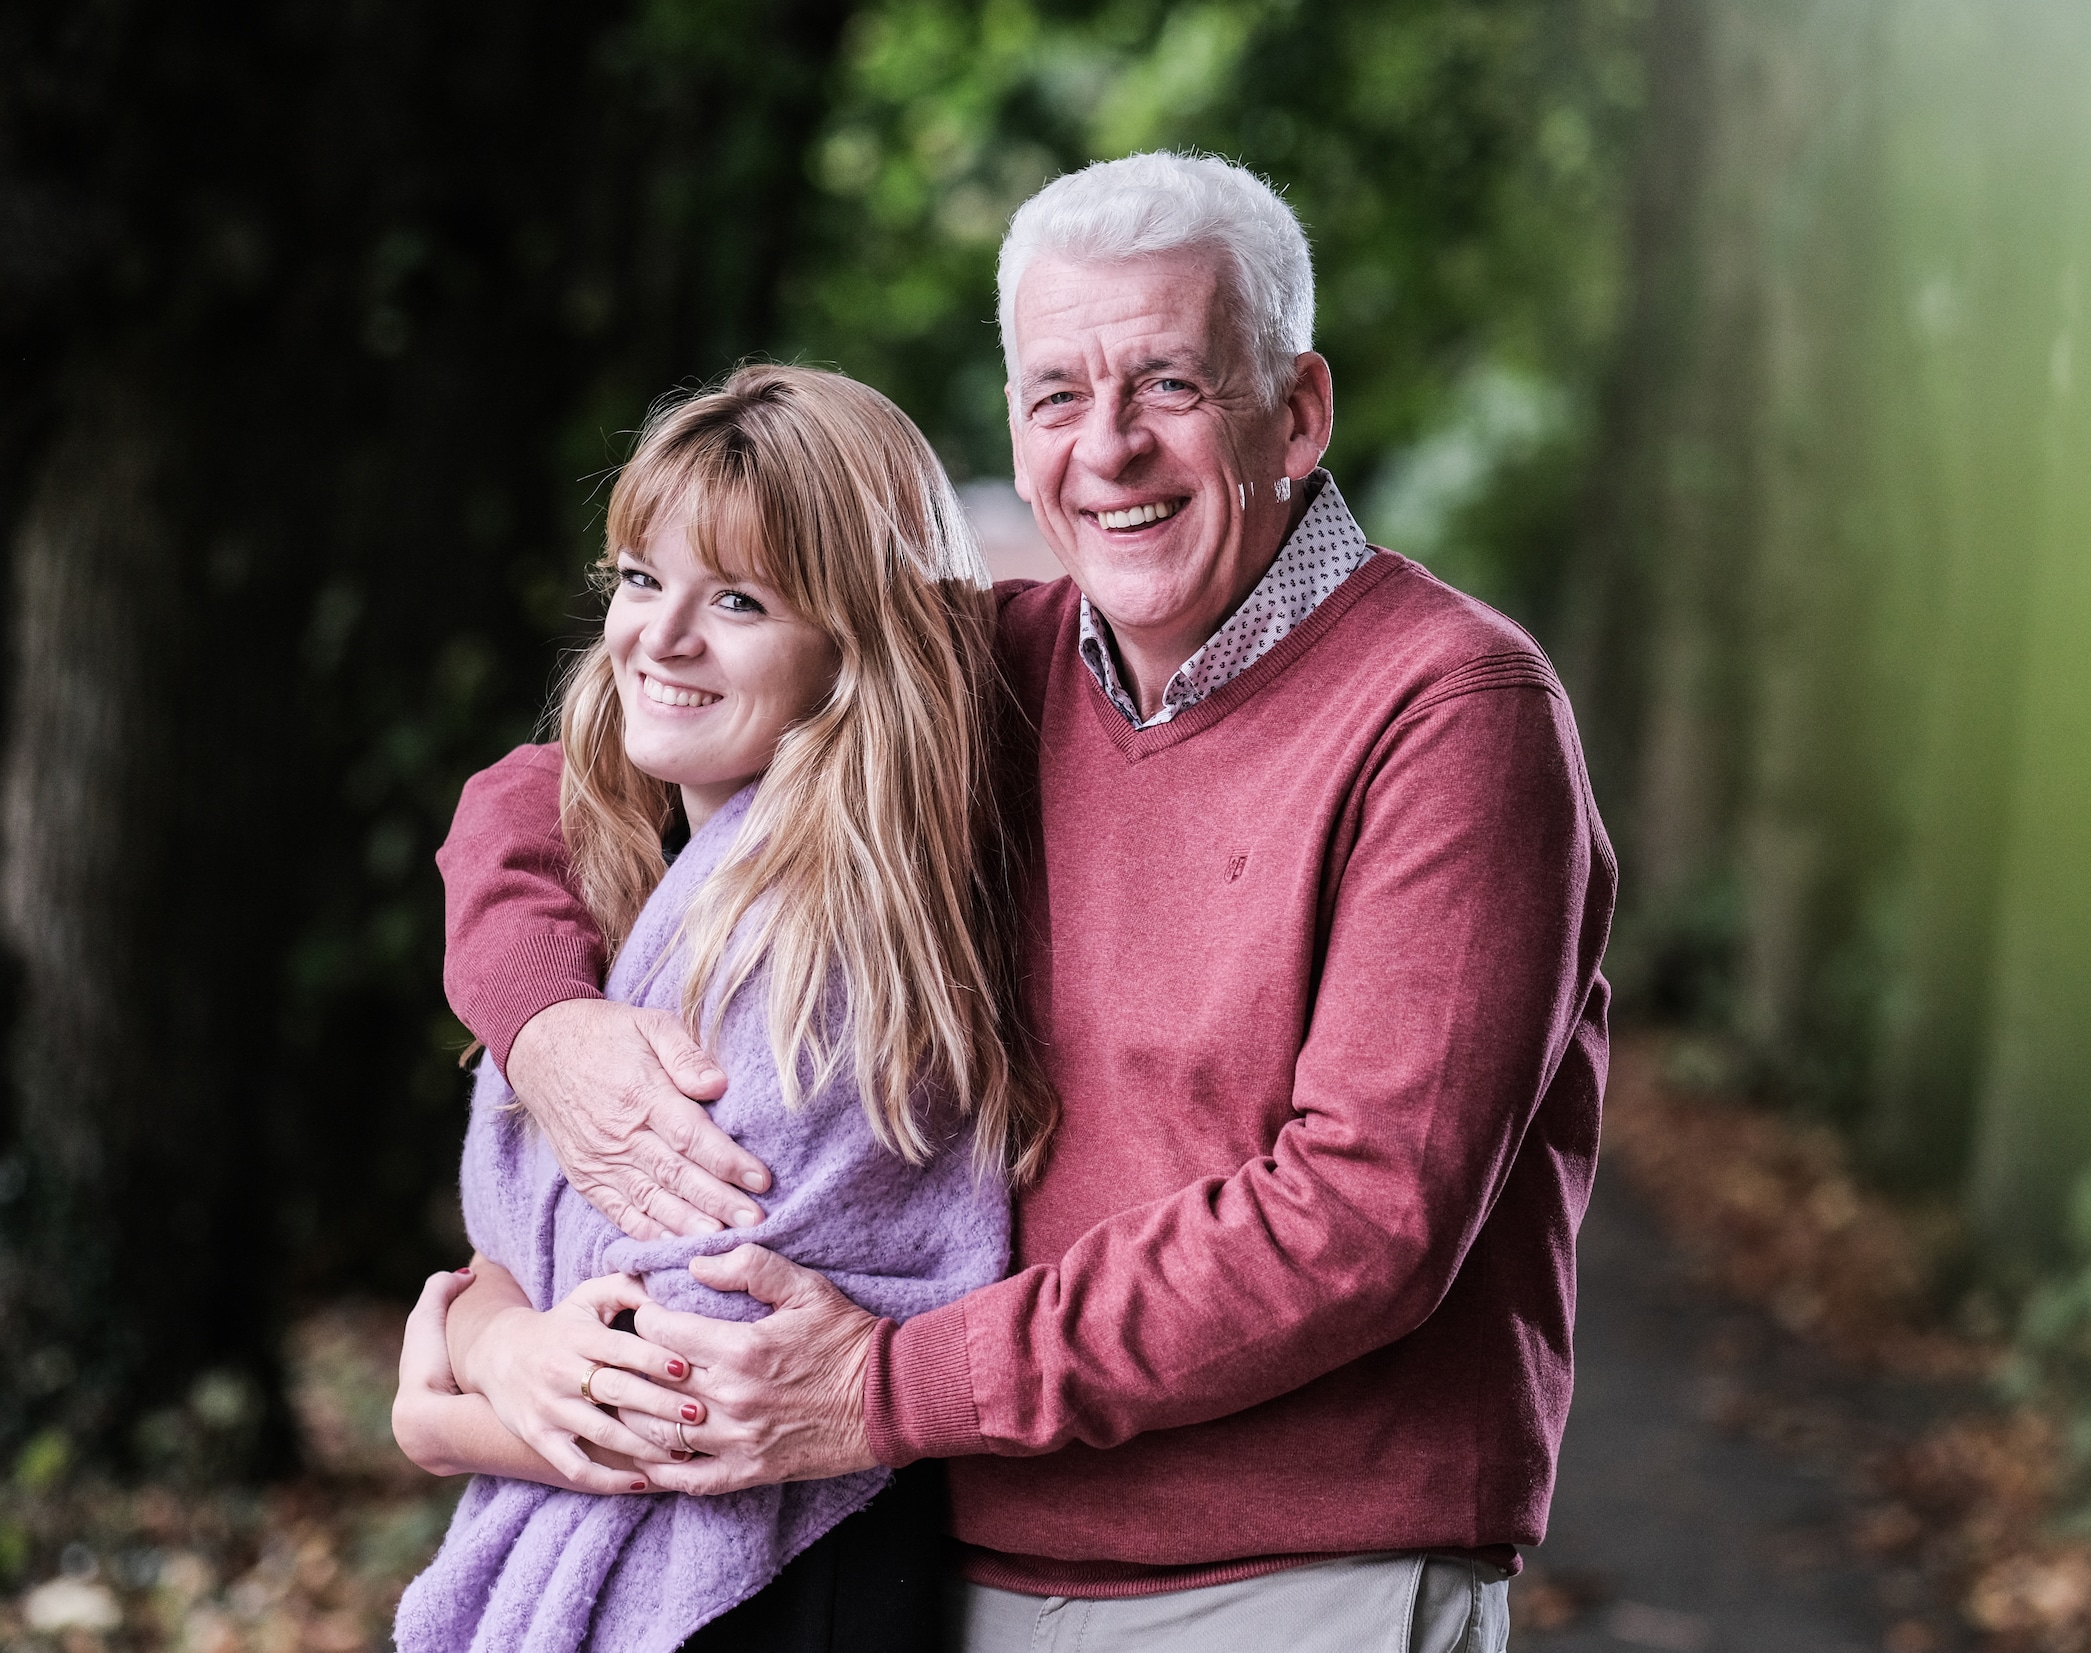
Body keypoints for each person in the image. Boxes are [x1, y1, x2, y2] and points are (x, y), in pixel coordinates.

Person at [438, 152, 1616, 1653]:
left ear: (1299, 412)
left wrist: (889, 1386)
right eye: (1059, 395)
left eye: (1170, 385)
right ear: (1016, 427)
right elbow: (564, 770)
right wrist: (551, 1025)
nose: (1108, 447)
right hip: (960, 1564)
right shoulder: (990, 668)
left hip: (1300, 1576)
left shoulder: (1453, 707)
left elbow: (1364, 1217)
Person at [390, 365, 1044, 1652]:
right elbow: (561, 1272)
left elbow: (692, 1393)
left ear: (853, 650)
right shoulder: (650, 884)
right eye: (640, 578)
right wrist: (493, 1324)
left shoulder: (812, 949)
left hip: (768, 1587)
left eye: (737, 601)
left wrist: (444, 1402)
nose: (660, 637)